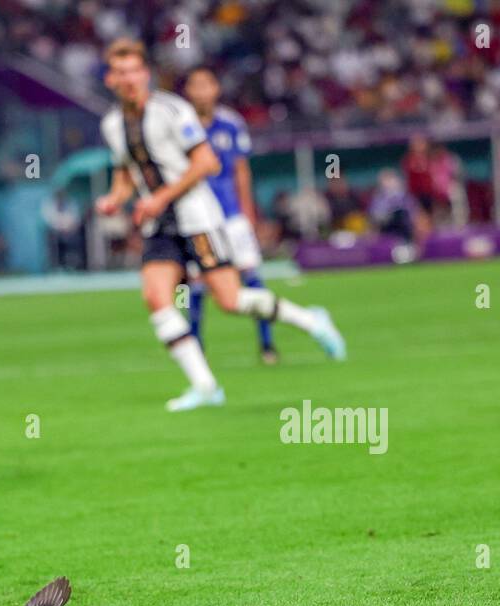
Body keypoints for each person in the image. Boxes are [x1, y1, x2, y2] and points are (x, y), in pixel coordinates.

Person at [92, 39, 345, 413]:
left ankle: (309, 319)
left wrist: (161, 197)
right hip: (160, 226)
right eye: (120, 72)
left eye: (133, 71)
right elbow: (127, 171)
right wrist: (115, 198)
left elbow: (207, 162)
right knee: (155, 297)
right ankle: (205, 385)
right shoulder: (112, 124)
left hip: (197, 217)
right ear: (110, 79)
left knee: (230, 301)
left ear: (145, 74)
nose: (128, 79)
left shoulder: (172, 110)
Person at [181, 66, 277, 363]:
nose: (201, 91)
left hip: (231, 215)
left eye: (206, 84)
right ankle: (195, 347)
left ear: (216, 89)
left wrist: (248, 212)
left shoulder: (231, 123)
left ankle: (267, 344)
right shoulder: (181, 125)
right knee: (196, 285)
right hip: (199, 218)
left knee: (251, 277)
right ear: (188, 91)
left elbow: (241, 170)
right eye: (195, 85)